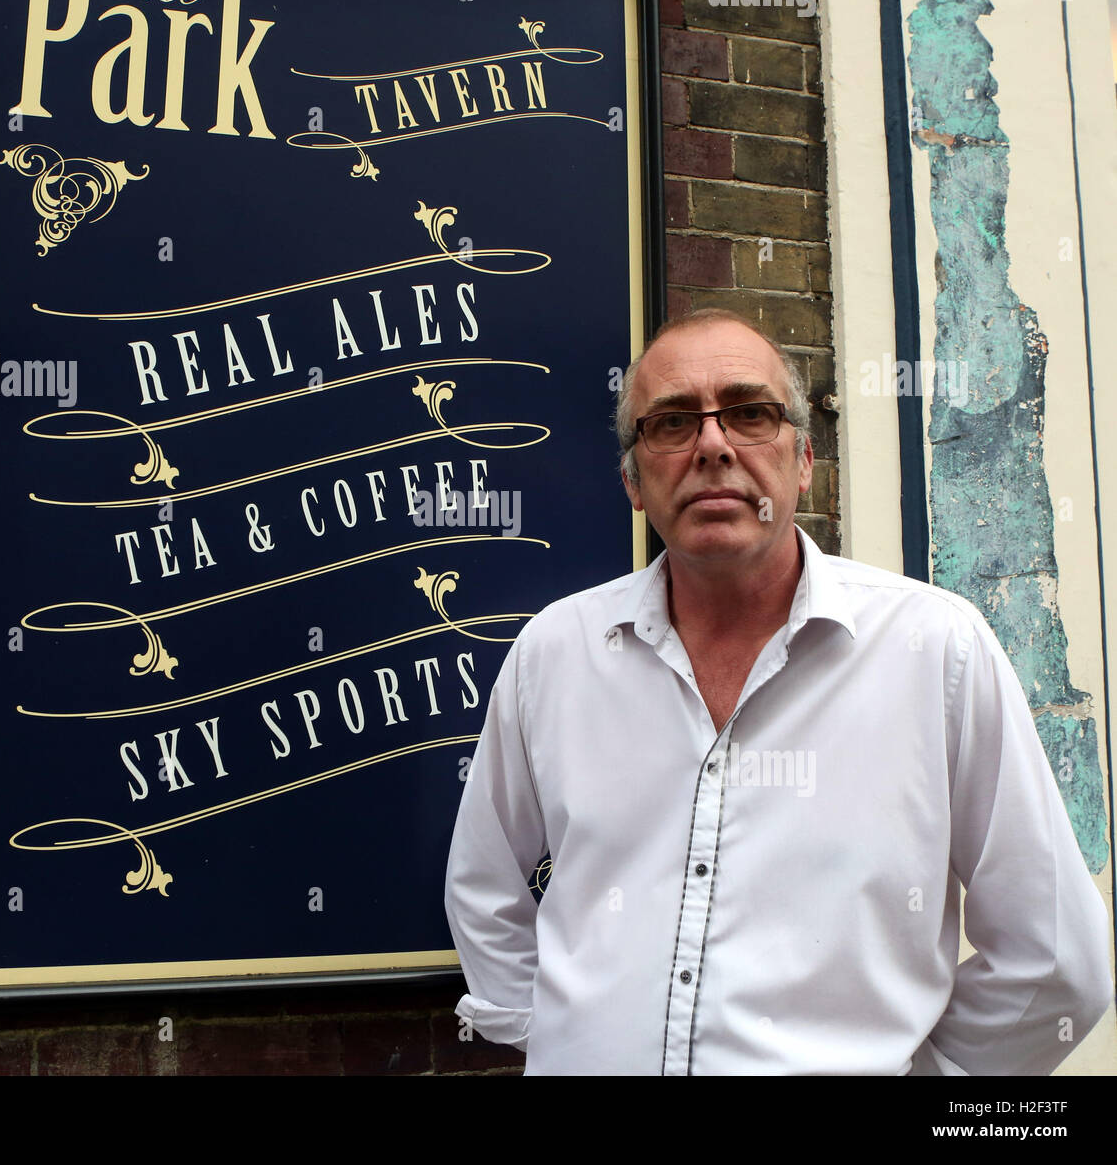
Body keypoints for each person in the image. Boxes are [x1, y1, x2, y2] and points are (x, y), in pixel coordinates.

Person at [443, 308, 1113, 1075]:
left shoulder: (937, 653)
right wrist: (567, 1039)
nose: (714, 445)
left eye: (750, 412)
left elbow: (1057, 958)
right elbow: (485, 887)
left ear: (803, 461)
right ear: (633, 481)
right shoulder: (555, 654)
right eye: (670, 424)